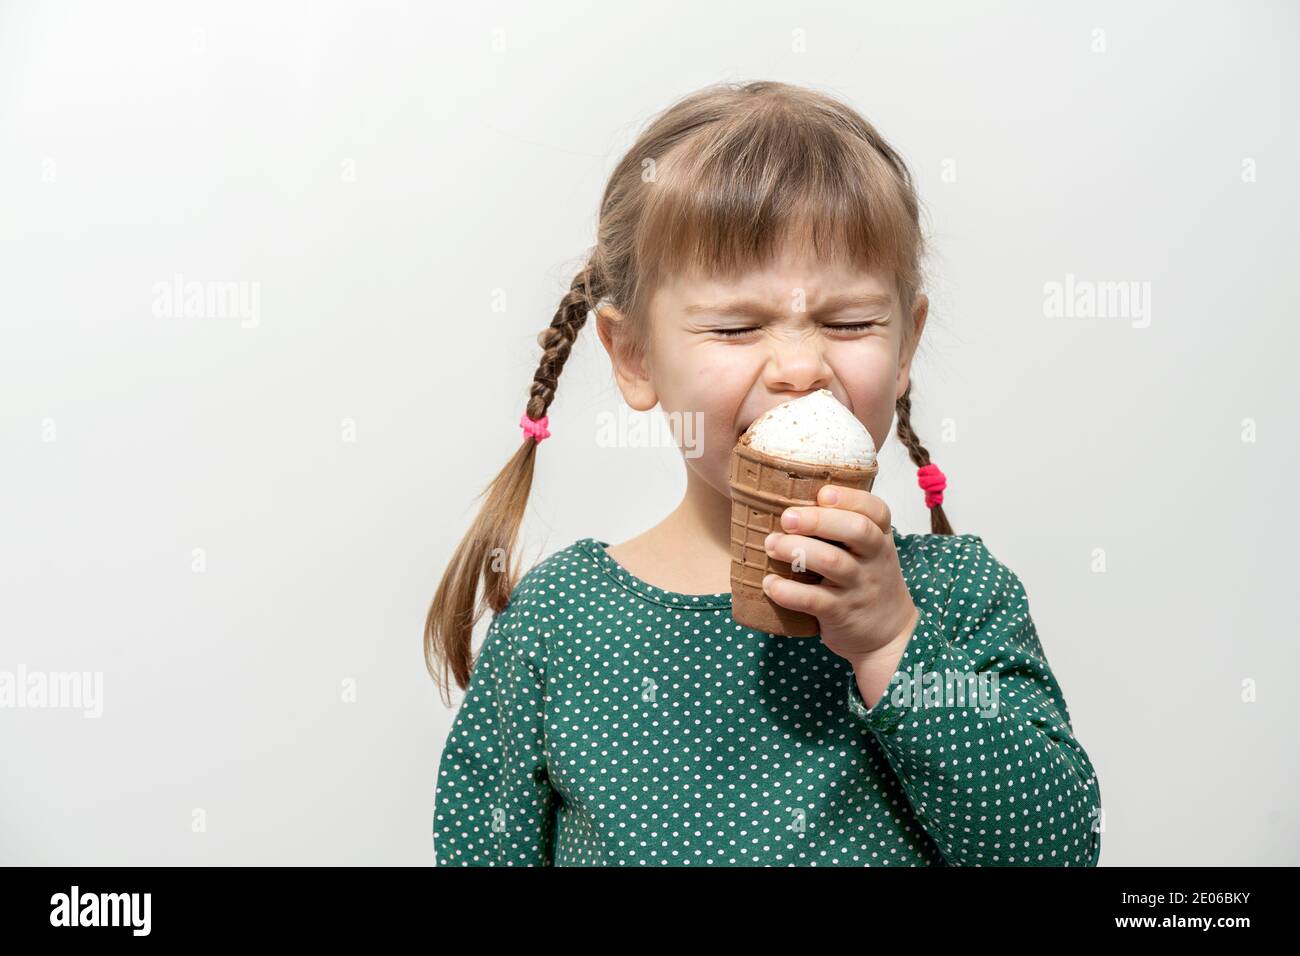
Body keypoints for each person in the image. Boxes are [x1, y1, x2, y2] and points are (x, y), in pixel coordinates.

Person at [427, 80, 1102, 866]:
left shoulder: (956, 599)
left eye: (850, 324)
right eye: (736, 327)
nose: (800, 367)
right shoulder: (558, 622)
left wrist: (890, 643)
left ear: (905, 349)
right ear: (636, 357)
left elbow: (1054, 850)